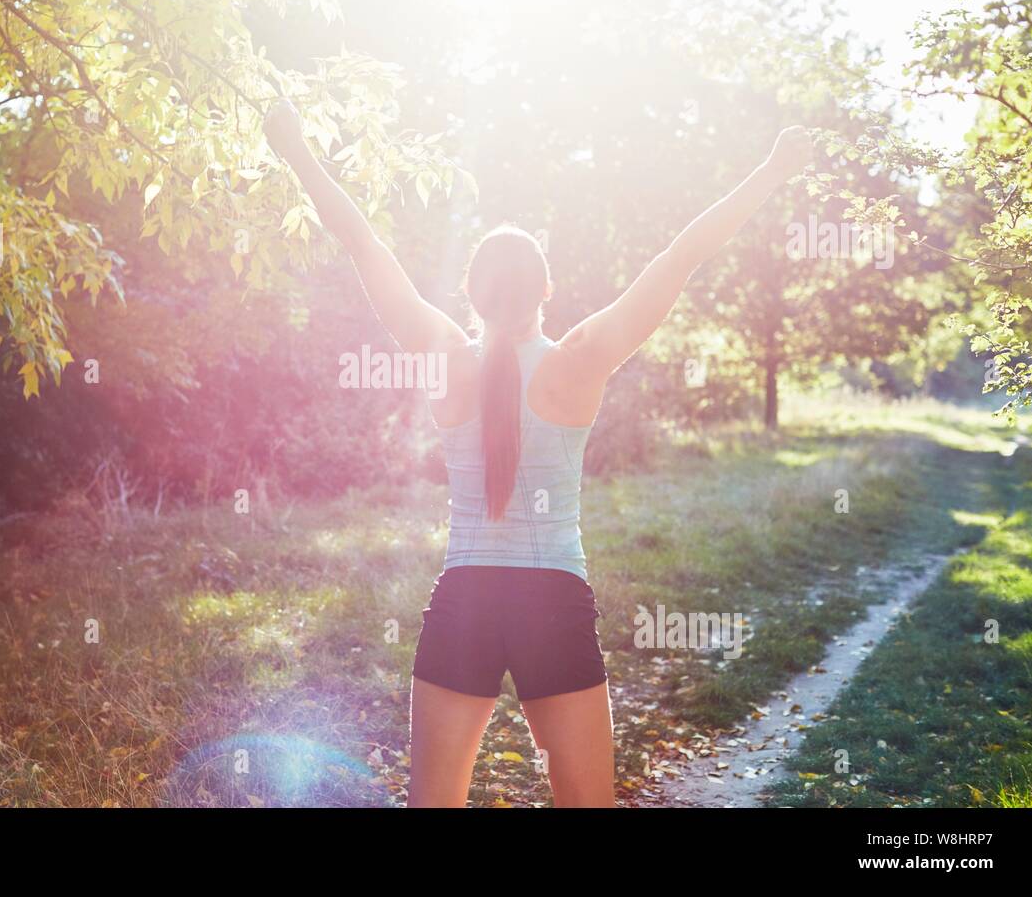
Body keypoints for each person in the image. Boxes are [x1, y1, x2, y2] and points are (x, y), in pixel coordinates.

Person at [265, 99, 813, 807]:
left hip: (463, 600)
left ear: (469, 291)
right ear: (547, 290)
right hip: (553, 600)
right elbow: (682, 256)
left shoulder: (442, 357)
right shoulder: (581, 359)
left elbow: (364, 244)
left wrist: (297, 150)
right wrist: (773, 171)